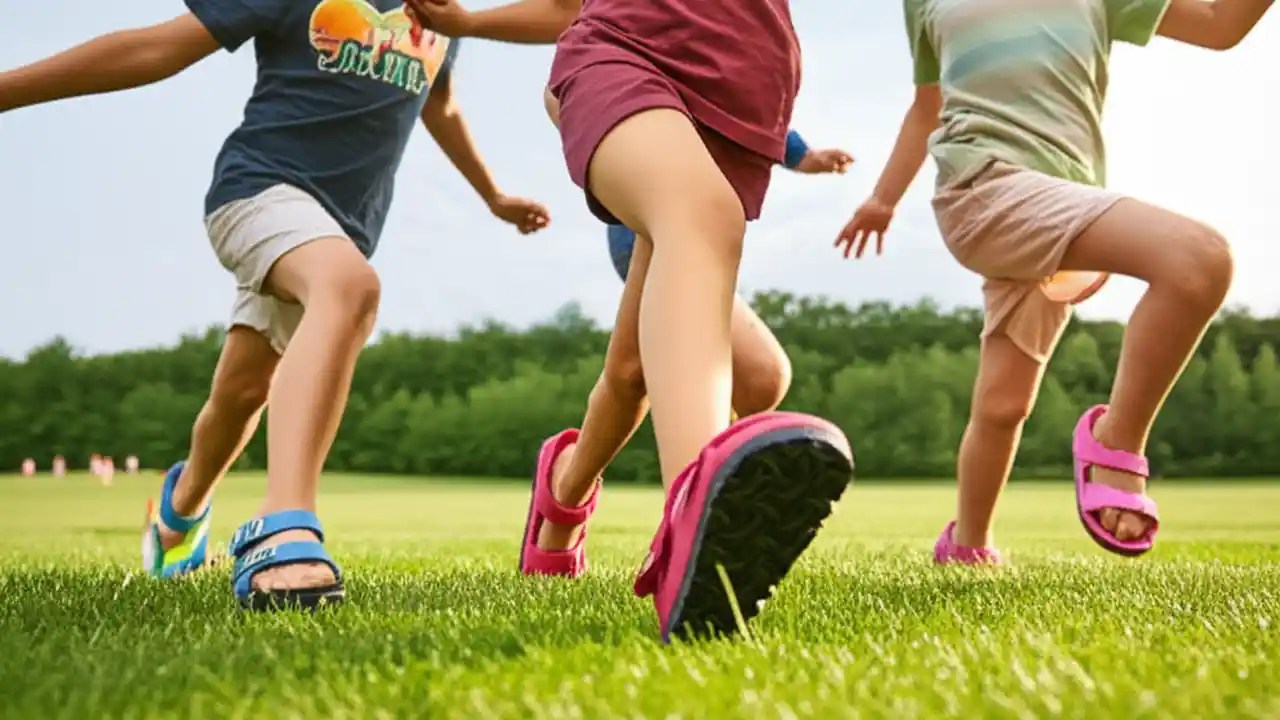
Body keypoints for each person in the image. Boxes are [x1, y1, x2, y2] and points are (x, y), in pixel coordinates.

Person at [0, 0, 549, 610]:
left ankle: (179, 511)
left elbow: (439, 104)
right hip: (258, 193)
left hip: (335, 230)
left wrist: (493, 194)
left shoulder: (440, 14)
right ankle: (283, 526)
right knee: (352, 289)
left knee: (239, 396)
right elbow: (158, 47)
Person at [408, 0, 856, 643]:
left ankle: (561, 496)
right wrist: (468, 23)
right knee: (703, 222)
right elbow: (570, 8)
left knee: (642, 374)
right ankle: (693, 530)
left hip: (735, 99)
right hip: (627, 56)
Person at [837, 0, 1272, 564]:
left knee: (1004, 404)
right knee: (1199, 260)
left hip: (1060, 199)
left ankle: (967, 548)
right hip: (981, 188)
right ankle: (1115, 445)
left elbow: (1220, 26)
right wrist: (882, 199)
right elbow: (928, 107)